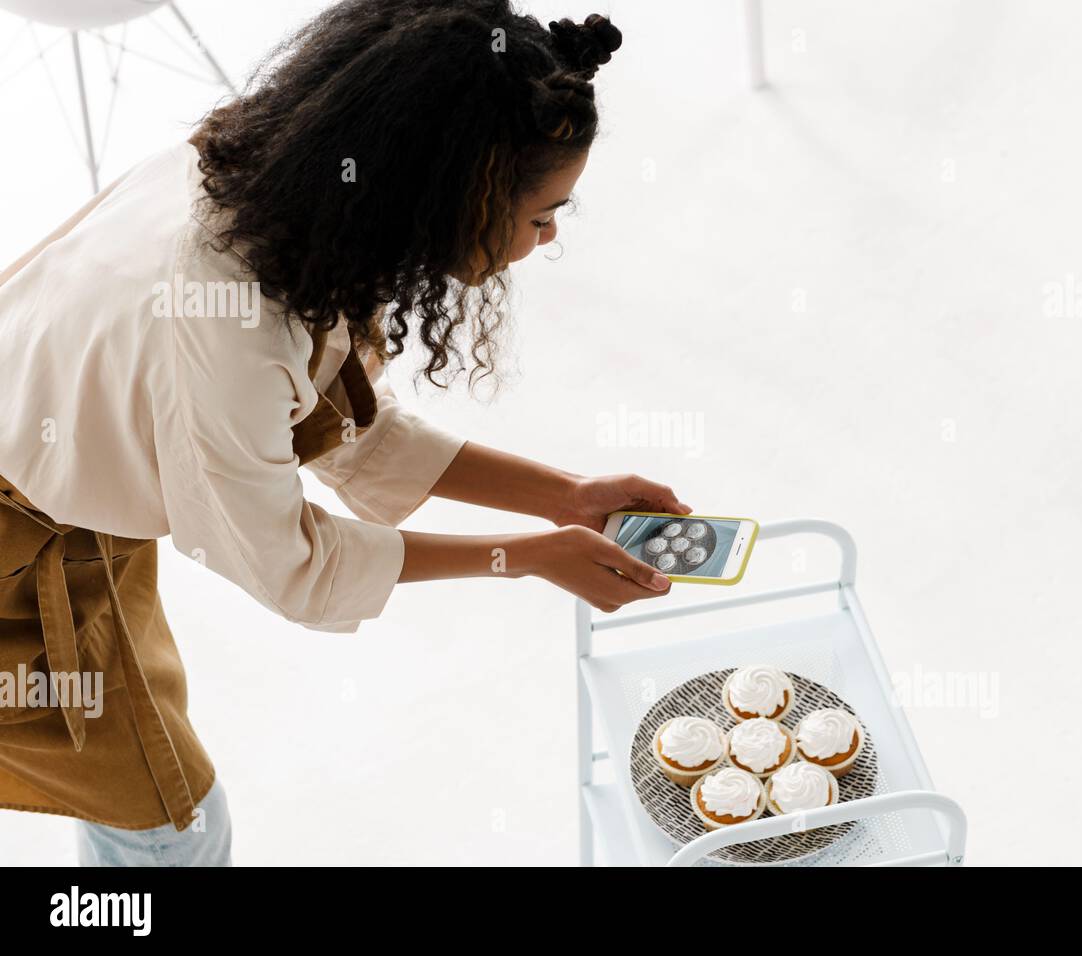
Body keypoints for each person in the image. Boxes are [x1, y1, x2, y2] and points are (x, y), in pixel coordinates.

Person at [0, 0, 683, 866]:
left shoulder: (273, 202)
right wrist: (527, 557)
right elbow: (293, 566)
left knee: (152, 808)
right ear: (449, 190)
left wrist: (565, 501)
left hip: (64, 505)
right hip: (19, 556)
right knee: (174, 821)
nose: (542, 242)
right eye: (541, 214)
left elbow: (339, 427)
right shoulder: (228, 325)